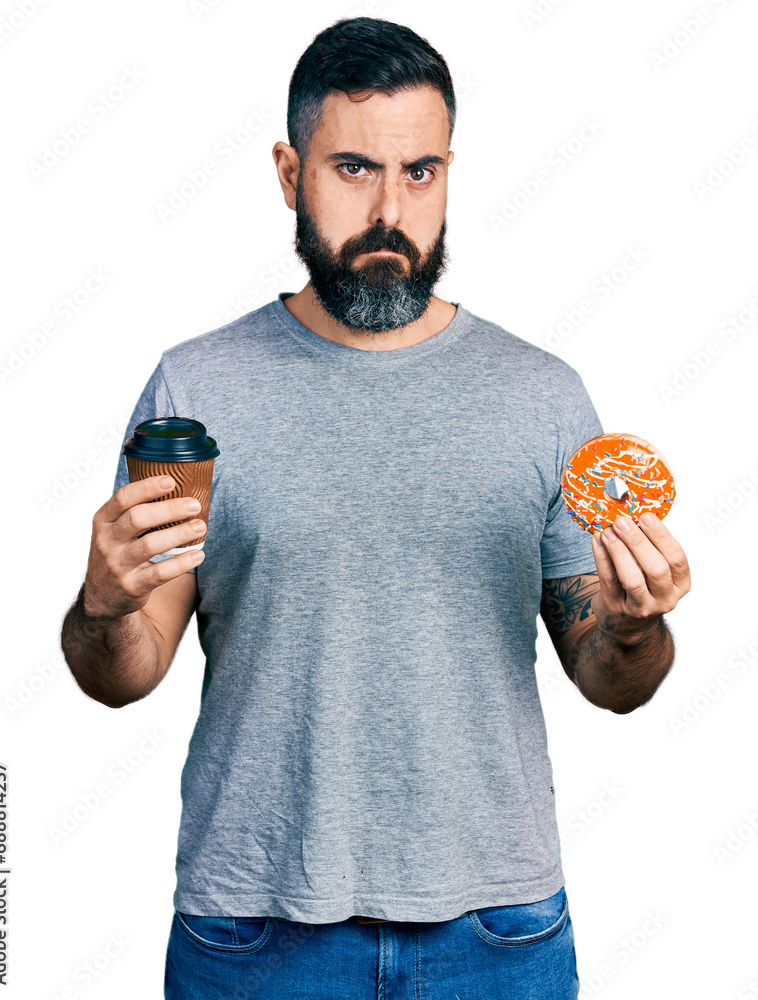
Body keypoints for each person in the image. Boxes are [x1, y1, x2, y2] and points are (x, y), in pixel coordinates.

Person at [60, 16, 691, 999]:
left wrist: (636, 622)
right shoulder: (195, 392)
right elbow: (125, 670)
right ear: (287, 172)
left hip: (497, 935)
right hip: (254, 932)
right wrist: (101, 606)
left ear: (448, 172)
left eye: (420, 173)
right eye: (353, 170)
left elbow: (610, 678)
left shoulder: (543, 396)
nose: (390, 211)